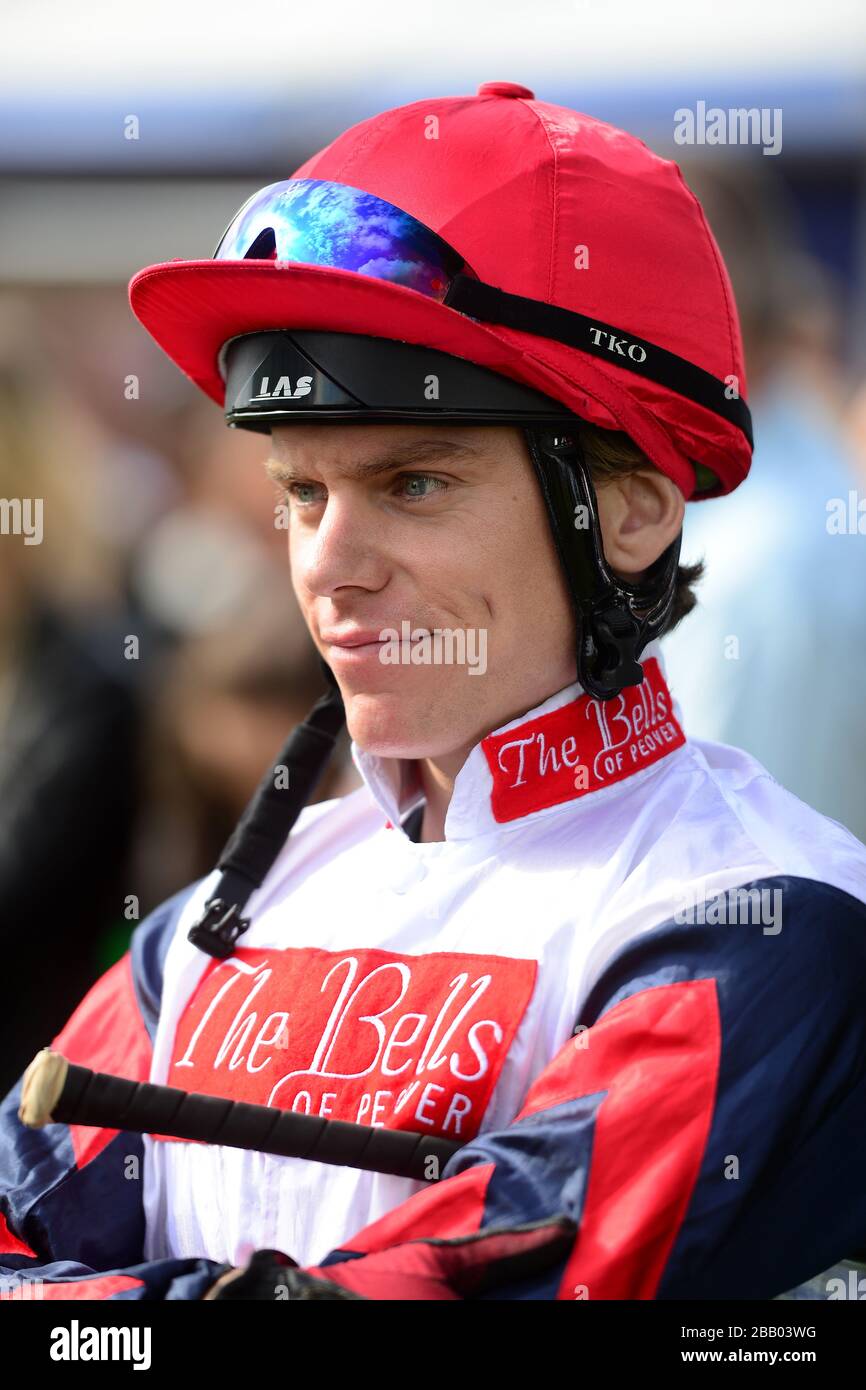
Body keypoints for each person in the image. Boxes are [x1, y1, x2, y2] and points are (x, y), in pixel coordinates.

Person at [2, 82, 866, 1303]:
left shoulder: (771, 921)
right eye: (301, 491)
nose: (326, 563)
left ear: (632, 507)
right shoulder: (203, 928)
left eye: (411, 483)